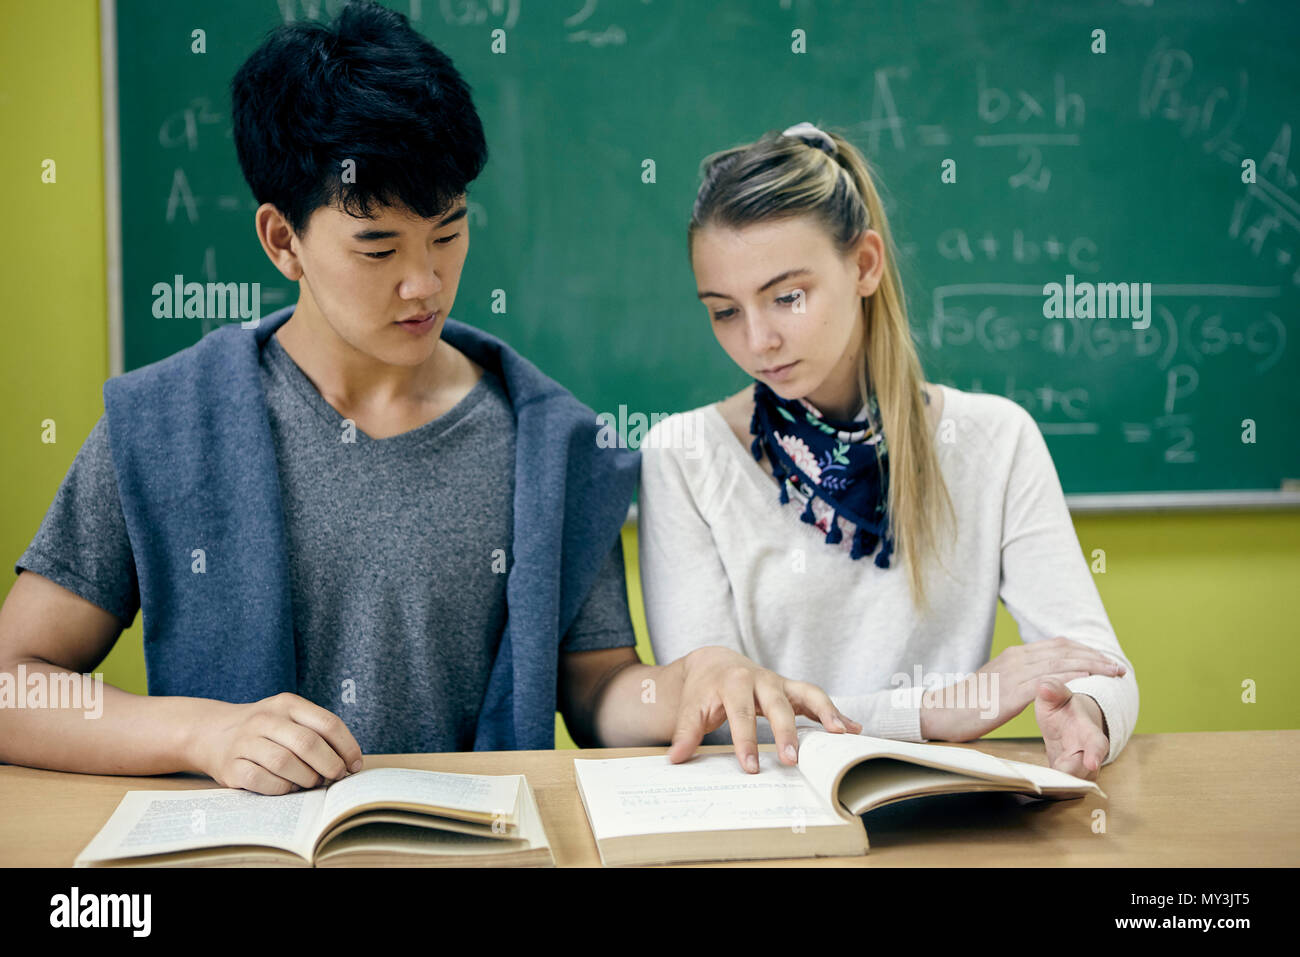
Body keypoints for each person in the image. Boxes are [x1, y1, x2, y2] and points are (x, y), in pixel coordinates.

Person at [0, 7, 860, 792]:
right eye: (377, 248)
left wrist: (692, 680)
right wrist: (201, 731)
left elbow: (599, 689)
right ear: (282, 240)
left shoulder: (551, 442)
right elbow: (14, 682)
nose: (426, 282)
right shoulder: (164, 424)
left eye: (448, 230)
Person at [637, 122, 1139, 780]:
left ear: (865, 264)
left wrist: (1085, 713)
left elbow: (1100, 663)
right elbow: (721, 711)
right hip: (770, 818)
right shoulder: (682, 454)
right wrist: (932, 712)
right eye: (724, 310)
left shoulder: (996, 437)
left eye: (787, 296)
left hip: (946, 818)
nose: (757, 340)